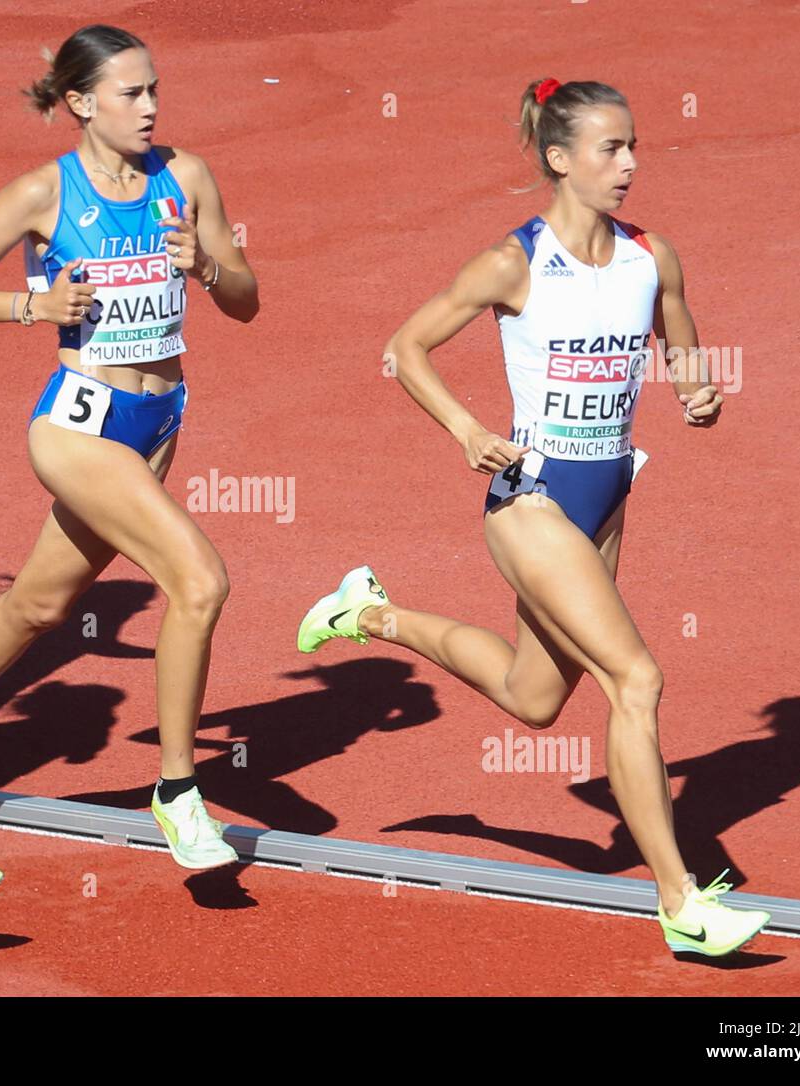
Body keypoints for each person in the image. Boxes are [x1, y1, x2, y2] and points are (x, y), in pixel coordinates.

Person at [297, 78, 769, 956]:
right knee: (637, 679)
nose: (629, 164)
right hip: (532, 499)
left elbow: (679, 336)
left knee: (534, 697)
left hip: (608, 494)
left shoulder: (650, 255)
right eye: (609, 149)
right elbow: (407, 347)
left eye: (633, 147)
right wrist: (467, 428)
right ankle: (680, 903)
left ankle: (365, 611)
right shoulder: (515, 261)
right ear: (560, 158)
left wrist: (699, 388)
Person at [0, 24, 259, 871]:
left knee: (40, 606)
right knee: (199, 581)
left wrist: (207, 268)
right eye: (132, 94)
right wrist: (33, 311)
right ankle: (177, 794)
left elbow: (246, 299)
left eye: (156, 89)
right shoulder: (43, 193)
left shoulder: (185, 178)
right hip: (79, 424)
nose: (152, 107)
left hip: (158, 423)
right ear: (82, 104)